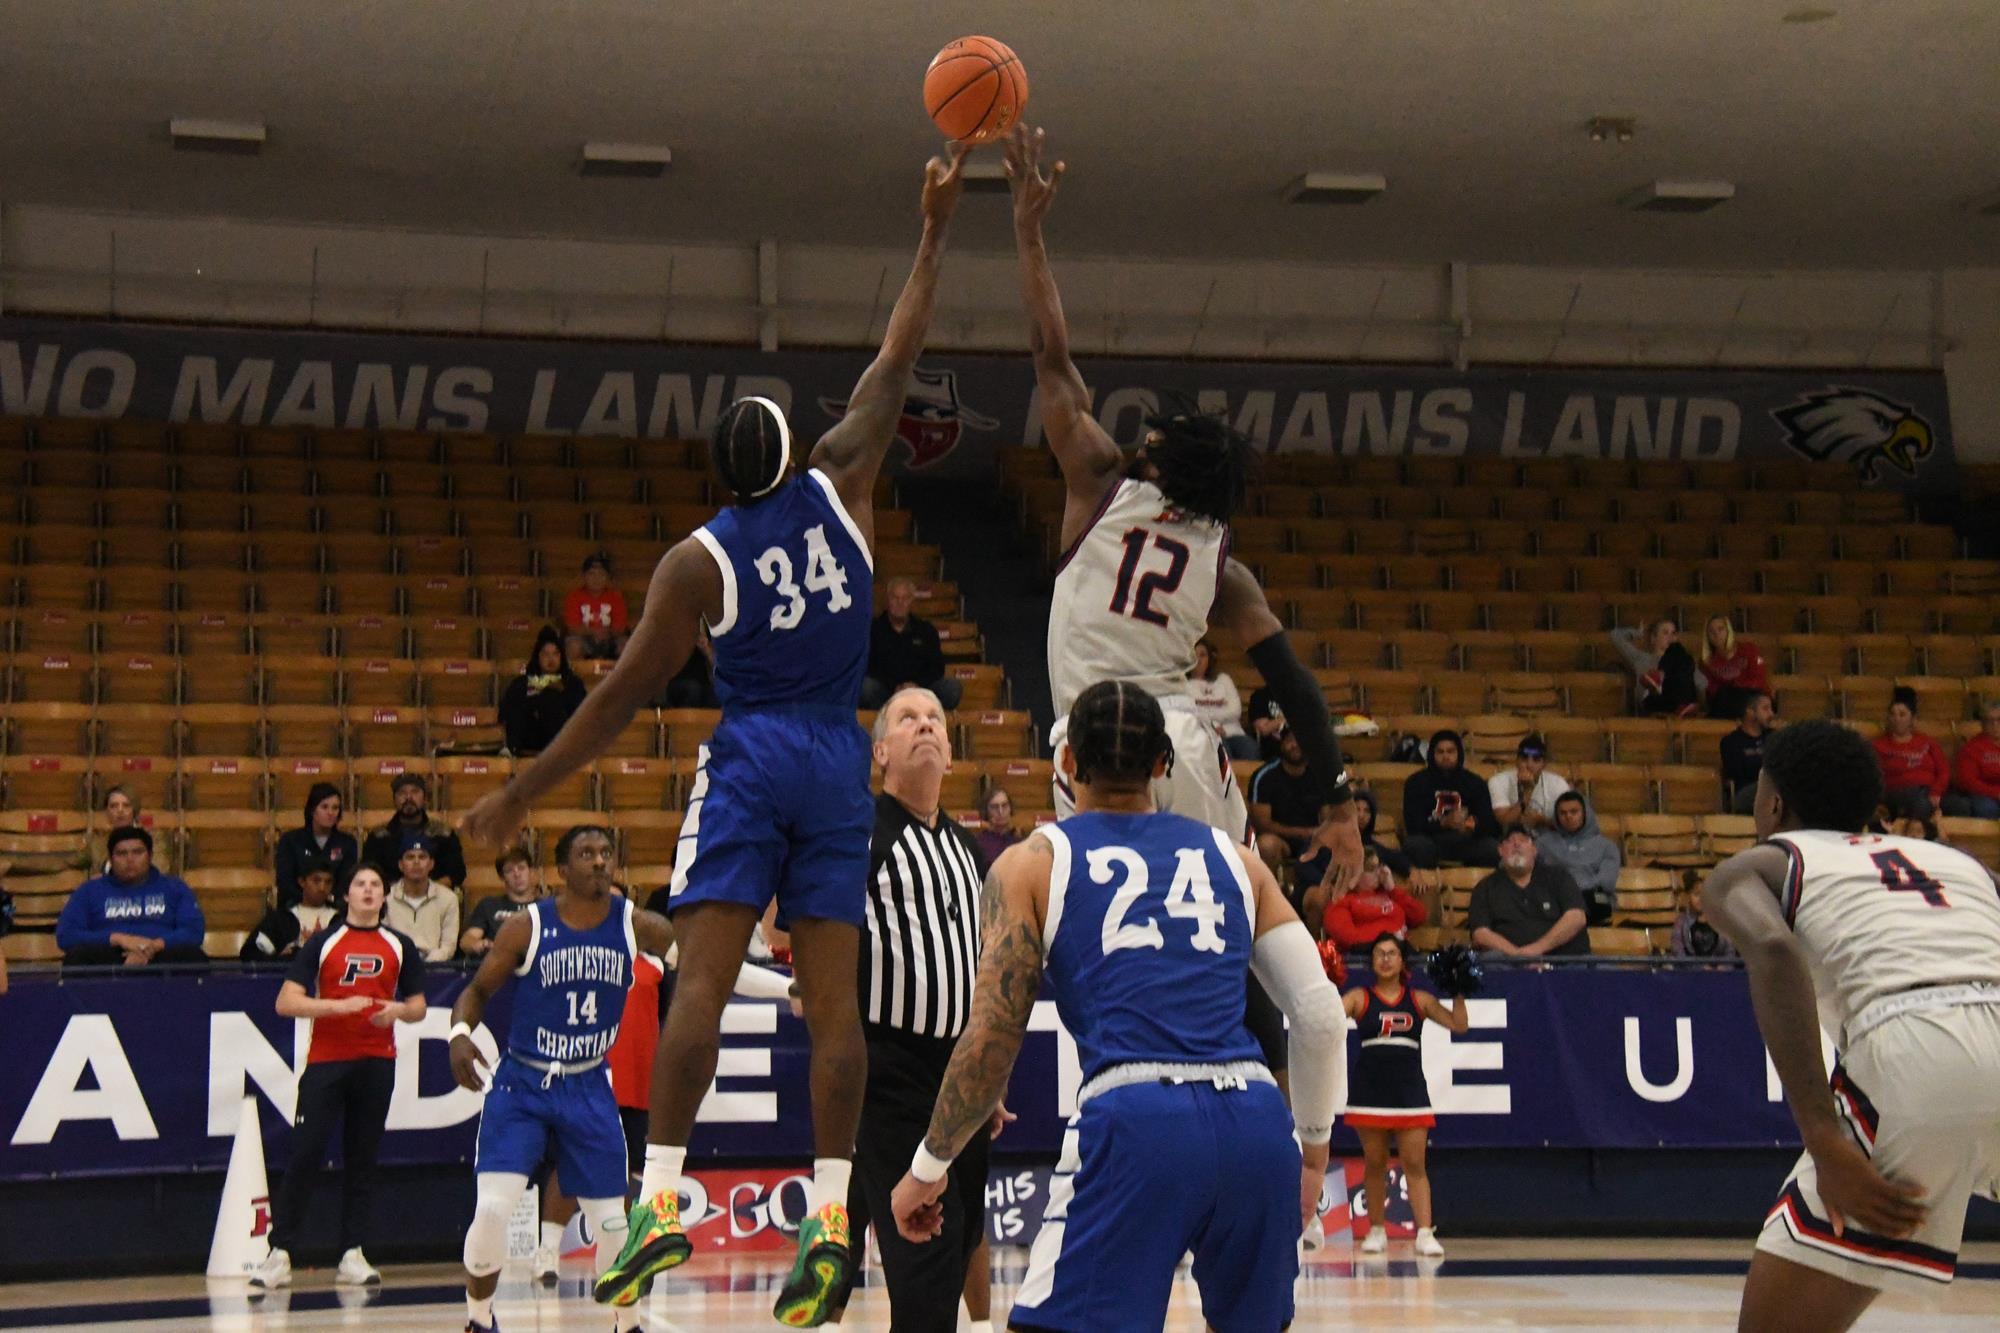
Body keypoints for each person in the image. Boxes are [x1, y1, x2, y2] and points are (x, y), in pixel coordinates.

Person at [463, 143, 969, 1329]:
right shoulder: (844, 484)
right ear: (790, 453)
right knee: (832, 1009)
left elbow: (613, 702)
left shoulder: (698, 559)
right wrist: (936, 225)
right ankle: (834, 1219)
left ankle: (659, 1199)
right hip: (837, 756)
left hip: (751, 753)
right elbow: (898, 351)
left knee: (700, 978)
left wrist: (520, 793)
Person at [1004, 121, 1361, 1098]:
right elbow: (1289, 683)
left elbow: (1047, 351)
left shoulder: (1093, 481)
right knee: (1233, 929)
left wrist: (1028, 233)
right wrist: (1333, 796)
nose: (1137, 429)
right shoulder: (1224, 567)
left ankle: (1105, 1114)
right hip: (1183, 747)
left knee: (1096, 933)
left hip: (1097, 738)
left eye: (1149, 432)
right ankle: (1269, 1102)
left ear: (1156, 462)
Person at [886, 681, 1350, 1333]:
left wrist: (929, 1167)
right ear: (1164, 763)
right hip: (1254, 1122)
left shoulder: (1032, 863)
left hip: (1137, 1117)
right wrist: (1312, 1152)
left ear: (1068, 762)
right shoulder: (1237, 859)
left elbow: (992, 1037)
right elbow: (1320, 1016)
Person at [1701, 719, 2000, 1331]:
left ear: (1774, 801)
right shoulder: (1958, 863)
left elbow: (1776, 953)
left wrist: (1824, 1137)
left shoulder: (1759, 865)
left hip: (1917, 1046)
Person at [447, 826, 674, 1333]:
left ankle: (628, 1323)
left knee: (613, 1224)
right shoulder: (527, 926)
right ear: (561, 870)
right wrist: (459, 1033)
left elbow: (710, 969)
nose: (598, 862)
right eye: (586, 853)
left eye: (605, 853)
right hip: (522, 1083)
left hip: (589, 1084)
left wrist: (787, 985)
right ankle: (478, 1319)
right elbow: (477, 991)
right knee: (492, 1211)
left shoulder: (635, 925)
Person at [825, 687, 998, 1332]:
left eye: (935, 719)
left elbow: (980, 968)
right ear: (881, 752)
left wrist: (987, 1076)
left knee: (953, 1258)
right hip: (890, 1071)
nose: (924, 725)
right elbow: (787, 926)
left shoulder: (968, 850)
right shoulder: (857, 832)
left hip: (962, 1079)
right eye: (908, 718)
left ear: (950, 754)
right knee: (924, 1280)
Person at [251, 863, 427, 1290]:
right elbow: (285, 1002)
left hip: (377, 1062)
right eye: (360, 885)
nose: (368, 892)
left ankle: (353, 1252)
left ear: (384, 896)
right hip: (327, 1062)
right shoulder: (325, 942)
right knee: (305, 1154)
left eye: (375, 886)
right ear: (346, 895)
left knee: (362, 1160)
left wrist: (398, 1012)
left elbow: (419, 1004)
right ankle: (280, 1253)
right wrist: (337, 1006)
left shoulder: (399, 944)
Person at [1342, 934, 1468, 1257]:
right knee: (1375, 1163)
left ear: (1402, 961)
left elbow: (1459, 1026)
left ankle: (1425, 1233)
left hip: (1409, 1090)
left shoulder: (1420, 999)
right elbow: (1327, 1021)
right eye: (1379, 954)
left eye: (1392, 953)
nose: (1385, 959)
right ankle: (1376, 1230)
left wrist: (1458, 989)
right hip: (1370, 1089)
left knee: (1415, 1162)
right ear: (1371, 962)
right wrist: (1328, 985)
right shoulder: (1359, 997)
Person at [55, 826, 207, 966]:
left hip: (161, 955)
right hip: (108, 958)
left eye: (137, 852)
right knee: (77, 957)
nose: (130, 859)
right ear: (110, 858)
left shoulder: (175, 888)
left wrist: (153, 946)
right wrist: (118, 939)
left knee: (193, 956)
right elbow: (66, 935)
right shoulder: (89, 891)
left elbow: (193, 932)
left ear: (150, 855)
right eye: (122, 853)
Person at [1468, 825, 1591, 958]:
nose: (1516, 844)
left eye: (1523, 840)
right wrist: (1518, 956)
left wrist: (1537, 949)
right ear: (1500, 850)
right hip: (1507, 964)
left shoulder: (1559, 877)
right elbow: (1480, 933)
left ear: (1534, 850)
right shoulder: (1485, 887)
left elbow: (1576, 917)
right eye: (1509, 841)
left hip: (1563, 962)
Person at [1400, 729, 1501, 870]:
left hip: (1467, 841)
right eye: (1440, 752)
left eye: (1450, 751)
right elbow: (1413, 825)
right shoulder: (1416, 782)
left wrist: (1471, 824)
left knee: (1493, 849)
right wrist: (1443, 823)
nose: (1446, 756)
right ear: (1432, 754)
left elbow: (1489, 823)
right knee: (1415, 846)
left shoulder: (1475, 782)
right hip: (1432, 841)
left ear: (1458, 753)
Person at [1250, 726, 1334, 894]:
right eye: (1289, 740)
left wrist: (1318, 833)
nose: (1295, 745)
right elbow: (1262, 824)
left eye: (1300, 740)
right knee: (1266, 845)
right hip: (1281, 840)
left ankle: (1329, 898)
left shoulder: (1320, 774)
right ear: (1281, 744)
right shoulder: (1265, 776)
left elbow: (1327, 818)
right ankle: (1270, 896)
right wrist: (1302, 832)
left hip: (1313, 840)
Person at [861, 577, 964, 711]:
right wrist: (896, 687)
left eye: (905, 598)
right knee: (866, 687)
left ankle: (926, 715)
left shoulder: (926, 630)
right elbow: (868, 666)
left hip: (921, 692)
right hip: (886, 693)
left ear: (912, 601)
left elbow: (937, 667)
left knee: (952, 688)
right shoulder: (873, 629)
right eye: (895, 598)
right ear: (887, 600)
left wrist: (916, 685)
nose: (900, 603)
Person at [362, 773, 467, 890]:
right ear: (394, 799)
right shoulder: (379, 836)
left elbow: (457, 873)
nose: (408, 798)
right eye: (402, 793)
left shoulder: (443, 834)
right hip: (390, 898)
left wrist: (426, 891)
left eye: (415, 792)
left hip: (435, 897)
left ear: (424, 798)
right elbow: (369, 873)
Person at [1533, 792, 1622, 924]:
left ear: (1585, 813)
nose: (1568, 816)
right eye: (1562, 813)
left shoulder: (1606, 846)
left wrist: (1573, 890)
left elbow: (1606, 881)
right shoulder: (1543, 843)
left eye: (1574, 812)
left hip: (1593, 900)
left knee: (1594, 900)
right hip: (1555, 899)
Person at [500, 626, 587, 755]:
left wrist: (562, 693)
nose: (551, 659)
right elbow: (506, 711)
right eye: (545, 654)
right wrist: (536, 697)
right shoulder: (522, 683)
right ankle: (512, 751)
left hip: (563, 741)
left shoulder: (573, 683)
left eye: (555, 654)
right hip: (530, 737)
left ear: (561, 657)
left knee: (551, 699)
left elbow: (582, 712)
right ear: (538, 657)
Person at [241, 853, 340, 962]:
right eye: (316, 881)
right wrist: (279, 959)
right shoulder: (280, 919)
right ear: (302, 882)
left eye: (328, 882)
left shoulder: (341, 919)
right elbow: (248, 955)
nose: (322, 888)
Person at [274, 782, 360, 907]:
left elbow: (347, 882)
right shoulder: (290, 841)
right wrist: (309, 901)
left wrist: (327, 901)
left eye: (335, 808)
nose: (330, 813)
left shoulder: (347, 843)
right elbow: (285, 881)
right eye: (324, 807)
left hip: (334, 909)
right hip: (296, 907)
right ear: (312, 810)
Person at [1871, 686, 1949, 822]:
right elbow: (1875, 776)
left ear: (1912, 718)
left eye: (1902, 714)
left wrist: (1936, 792)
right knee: (1918, 801)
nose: (1896, 719)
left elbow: (1943, 771)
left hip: (1929, 791)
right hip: (1897, 792)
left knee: (1961, 805)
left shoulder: (1927, 742)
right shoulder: (1878, 745)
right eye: (1892, 714)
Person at [1322, 853, 1430, 950]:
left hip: (1401, 953)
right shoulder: (1342, 901)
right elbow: (1348, 939)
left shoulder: (1389, 894)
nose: (1379, 872)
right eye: (1371, 869)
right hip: (1368, 956)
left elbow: (1419, 917)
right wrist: (1387, 940)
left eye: (1379, 866)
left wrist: (1392, 889)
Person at [1610, 618, 1705, 717]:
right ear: (1653, 638)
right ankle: (1657, 684)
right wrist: (1637, 633)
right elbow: (1615, 636)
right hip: (1651, 705)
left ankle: (1679, 700)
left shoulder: (1683, 662)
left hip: (1678, 704)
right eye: (1665, 633)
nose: (1670, 637)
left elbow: (1702, 684)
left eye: (1673, 633)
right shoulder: (1641, 658)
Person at [385, 839, 459, 964]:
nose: (416, 862)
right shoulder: (386, 897)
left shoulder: (448, 898)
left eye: (422, 857)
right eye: (410, 857)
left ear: (431, 864)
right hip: (395, 965)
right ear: (401, 865)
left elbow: (448, 946)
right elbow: (383, 941)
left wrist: (424, 964)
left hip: (435, 967)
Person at [459, 847, 542, 958]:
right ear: (502, 877)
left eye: (521, 868)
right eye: (509, 870)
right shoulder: (488, 905)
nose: (517, 874)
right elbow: (467, 940)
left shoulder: (546, 907)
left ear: (531, 872)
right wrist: (478, 944)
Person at [1189, 638, 1258, 761]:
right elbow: (1191, 714)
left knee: (1250, 749)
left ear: (1210, 659)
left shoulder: (1223, 680)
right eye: (1194, 655)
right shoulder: (1184, 684)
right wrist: (1212, 726)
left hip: (1232, 731)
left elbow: (1235, 710)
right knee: (1222, 751)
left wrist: (1213, 721)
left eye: (1202, 655)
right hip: (1205, 734)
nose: (1198, 660)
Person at [1485, 733, 1571, 832]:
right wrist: (1527, 793)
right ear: (1516, 761)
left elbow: (1569, 825)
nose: (1529, 765)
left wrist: (1542, 820)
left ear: (1544, 764)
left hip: (1547, 840)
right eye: (1524, 758)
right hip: (1511, 840)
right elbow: (1504, 824)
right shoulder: (1498, 781)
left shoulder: (1558, 783)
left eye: (1536, 759)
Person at [1701, 614, 1770, 720]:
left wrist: (1736, 686)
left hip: (1752, 697)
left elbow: (1759, 680)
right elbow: (1713, 690)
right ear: (1707, 636)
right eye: (1711, 631)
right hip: (1727, 702)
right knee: (1723, 696)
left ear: (1728, 630)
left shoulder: (1749, 649)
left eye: (1720, 629)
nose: (1716, 634)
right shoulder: (1708, 662)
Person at [564, 552, 629, 662]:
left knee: (625, 646)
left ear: (607, 577)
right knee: (573, 646)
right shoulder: (574, 597)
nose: (596, 579)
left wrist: (607, 633)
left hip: (610, 639)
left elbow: (620, 628)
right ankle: (572, 678)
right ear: (584, 576)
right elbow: (572, 627)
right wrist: (593, 632)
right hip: (584, 638)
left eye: (601, 574)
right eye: (591, 574)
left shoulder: (616, 598)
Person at [1722, 691, 1778, 815]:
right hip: (1746, 792)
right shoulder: (1731, 741)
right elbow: (1738, 774)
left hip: (1773, 790)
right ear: (1750, 712)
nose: (1771, 714)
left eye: (1771, 709)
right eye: (1765, 709)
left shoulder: (1775, 737)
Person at [1944, 698, 2000, 819]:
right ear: (1982, 724)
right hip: (1983, 794)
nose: (1995, 725)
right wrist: (1995, 793)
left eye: (1999, 720)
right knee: (1987, 809)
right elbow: (1968, 781)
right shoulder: (1972, 748)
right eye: (1990, 721)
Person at [73, 784, 140, 876]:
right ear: (107, 812)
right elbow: (69, 861)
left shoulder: (153, 841)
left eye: (126, 805)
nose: (120, 810)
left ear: (134, 810)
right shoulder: (97, 843)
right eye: (113, 806)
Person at [1668, 880, 1738, 961]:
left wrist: (1724, 967)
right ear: (1688, 897)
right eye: (1696, 894)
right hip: (1691, 972)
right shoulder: (1681, 922)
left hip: (1721, 972)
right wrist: (1699, 968)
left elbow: (1730, 950)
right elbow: (1678, 952)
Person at [1353, 789, 1412, 879]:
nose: (1361, 815)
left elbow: (1395, 858)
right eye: (1357, 809)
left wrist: (1412, 871)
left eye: (1367, 811)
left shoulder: (1370, 844)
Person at [974, 787, 1020, 866]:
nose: (1000, 811)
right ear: (986, 811)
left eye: (1004, 805)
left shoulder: (1021, 841)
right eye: (994, 807)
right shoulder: (979, 844)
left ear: (1010, 809)